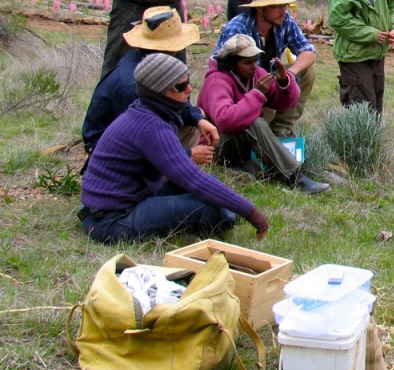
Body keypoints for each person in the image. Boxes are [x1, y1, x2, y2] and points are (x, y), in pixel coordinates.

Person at [78, 53, 269, 243]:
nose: (189, 89)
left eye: (188, 82)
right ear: (159, 91)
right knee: (205, 206)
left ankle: (225, 216)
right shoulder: (152, 127)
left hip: (122, 202)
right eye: (180, 86)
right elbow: (193, 179)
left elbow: (191, 177)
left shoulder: (149, 111)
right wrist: (251, 213)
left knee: (211, 187)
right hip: (109, 220)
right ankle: (223, 218)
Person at [82, 6, 218, 163]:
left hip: (139, 137)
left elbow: (178, 106)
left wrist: (198, 119)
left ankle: (174, 174)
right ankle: (168, 177)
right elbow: (140, 137)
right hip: (112, 154)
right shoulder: (133, 86)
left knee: (195, 116)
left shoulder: (149, 62)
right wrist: (188, 154)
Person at [197, 34, 329, 195]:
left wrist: (283, 81)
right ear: (232, 64)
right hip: (215, 148)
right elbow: (225, 121)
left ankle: (270, 170)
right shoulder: (217, 81)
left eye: (255, 60)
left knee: (255, 123)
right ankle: (295, 178)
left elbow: (284, 103)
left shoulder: (256, 74)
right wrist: (257, 94)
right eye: (247, 62)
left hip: (240, 147)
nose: (254, 66)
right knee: (255, 123)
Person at [217, 0, 316, 137]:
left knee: (307, 71)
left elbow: (309, 52)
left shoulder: (284, 20)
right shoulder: (238, 29)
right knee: (260, 123)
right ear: (260, 9)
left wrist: (291, 74)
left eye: (284, 5)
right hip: (242, 92)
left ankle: (281, 131)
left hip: (267, 80)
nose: (283, 11)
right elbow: (222, 75)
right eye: (276, 6)